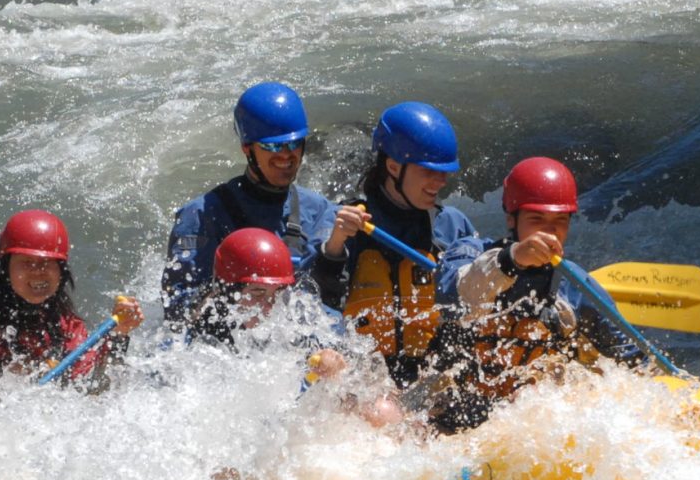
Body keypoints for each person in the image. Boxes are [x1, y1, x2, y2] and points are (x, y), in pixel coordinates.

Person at [428, 156, 643, 433]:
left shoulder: (575, 286)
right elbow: (453, 293)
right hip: (454, 410)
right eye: (536, 219)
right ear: (511, 218)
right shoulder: (469, 252)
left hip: (529, 424)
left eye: (560, 221)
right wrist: (513, 259)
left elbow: (633, 361)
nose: (549, 231)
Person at [309, 101, 483, 391]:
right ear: (393, 167)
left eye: (444, 173)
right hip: (364, 379)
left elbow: (476, 300)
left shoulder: (452, 225)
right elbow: (314, 296)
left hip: (430, 380)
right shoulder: (343, 221)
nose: (440, 182)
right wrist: (336, 245)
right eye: (429, 171)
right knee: (383, 411)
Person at [0, 209, 144, 421]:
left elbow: (92, 389)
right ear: (7, 268)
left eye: (47, 264)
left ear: (61, 271)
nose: (38, 273)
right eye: (27, 263)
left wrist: (118, 335)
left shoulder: (65, 323)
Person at [161, 82, 337, 328]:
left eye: (294, 143)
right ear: (247, 148)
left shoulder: (321, 211)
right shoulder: (201, 215)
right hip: (225, 338)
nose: (286, 154)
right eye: (273, 146)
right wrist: (228, 287)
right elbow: (177, 312)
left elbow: (329, 302)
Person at [186, 228, 403, 427]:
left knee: (382, 411)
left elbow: (346, 347)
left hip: (295, 414)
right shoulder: (203, 330)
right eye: (258, 293)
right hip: (239, 424)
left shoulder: (297, 308)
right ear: (228, 292)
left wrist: (334, 359)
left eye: (278, 292)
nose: (269, 306)